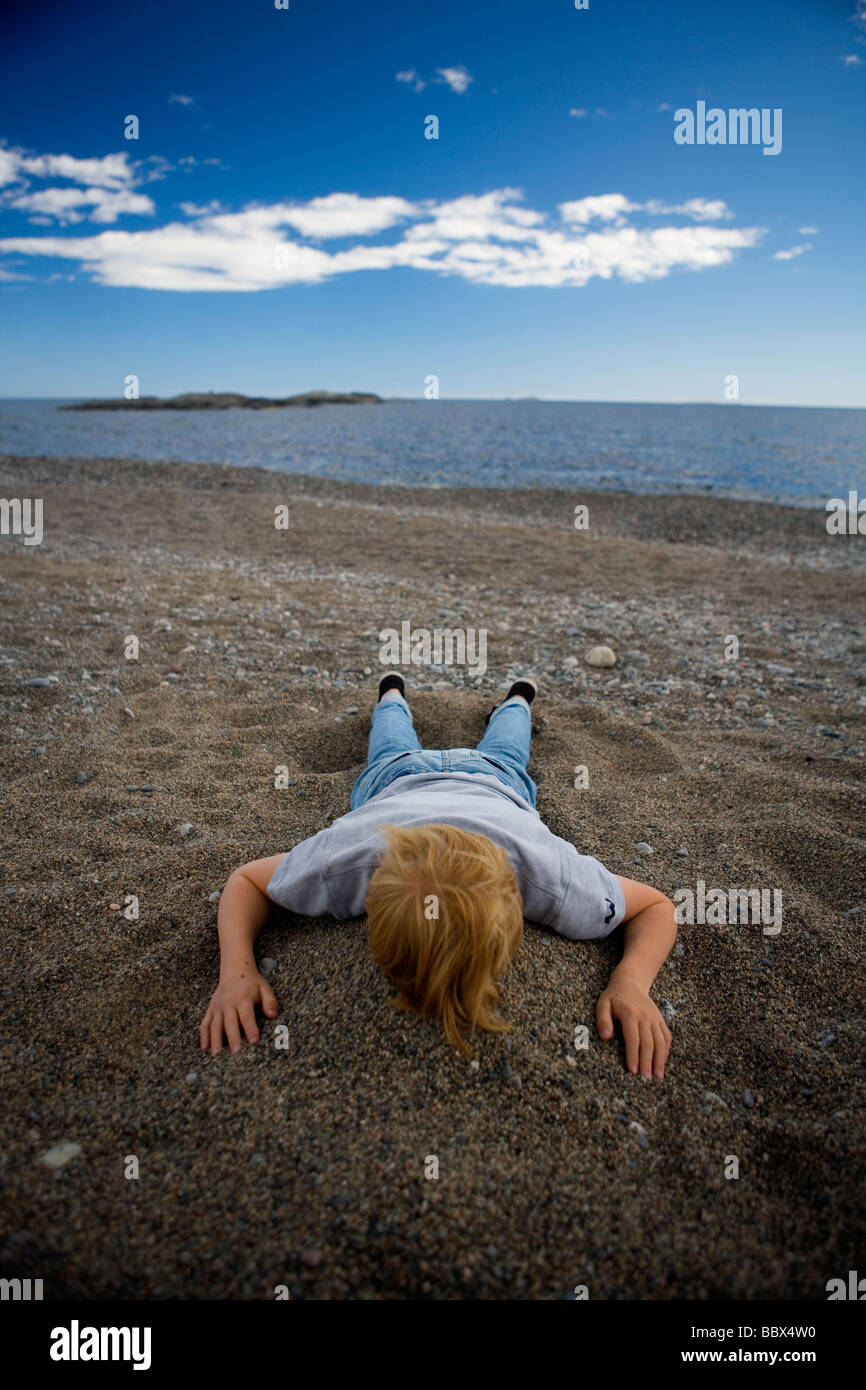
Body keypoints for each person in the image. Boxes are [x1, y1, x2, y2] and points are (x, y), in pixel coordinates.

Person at [200, 674, 676, 1075]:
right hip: (434, 778)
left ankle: (486, 699)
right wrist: (234, 973)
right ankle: (461, 698)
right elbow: (655, 905)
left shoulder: (550, 876)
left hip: (464, 778)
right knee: (422, 746)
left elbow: (657, 907)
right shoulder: (351, 856)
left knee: (492, 749)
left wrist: (633, 982)